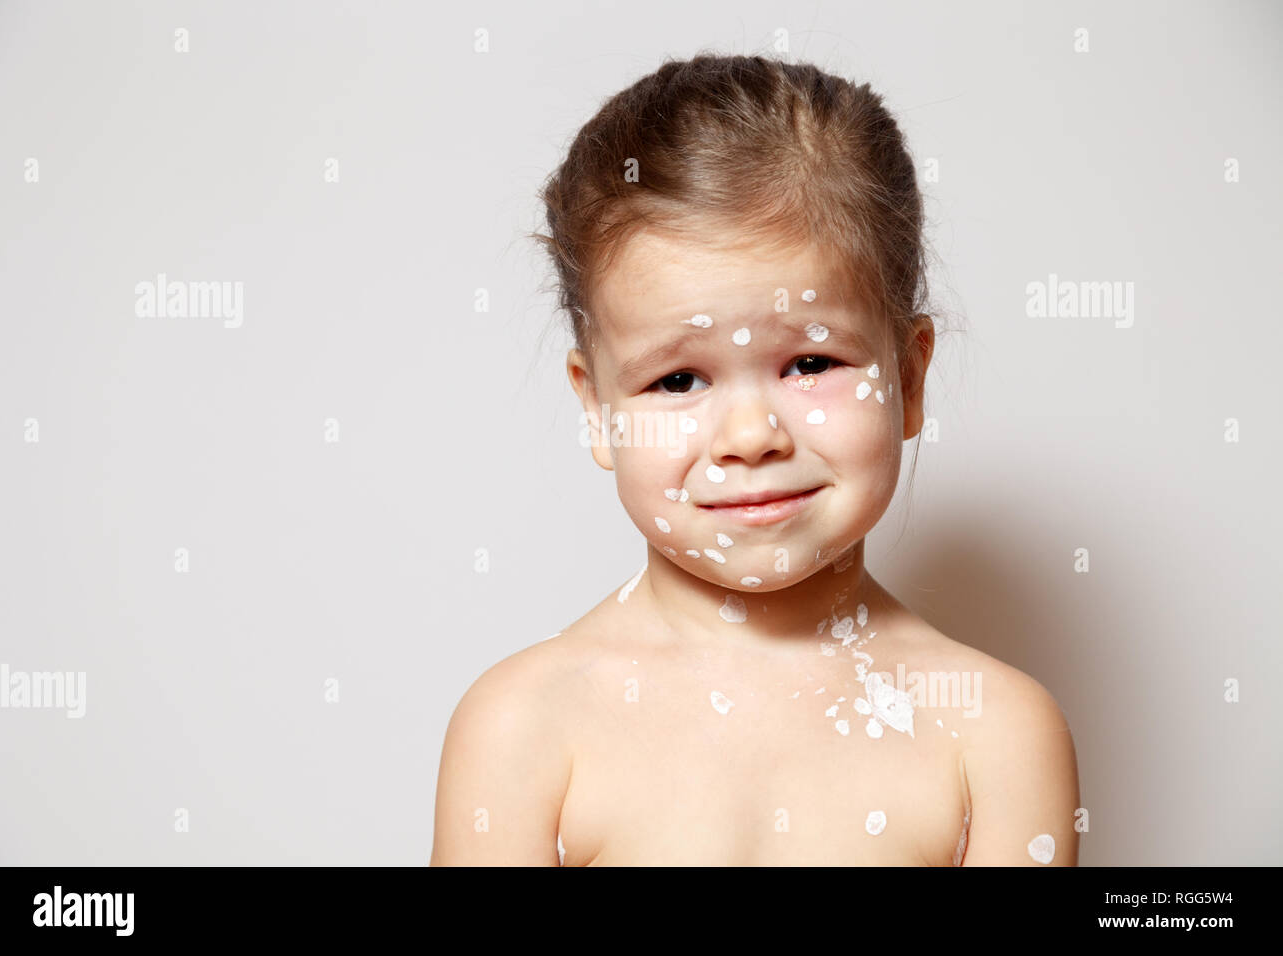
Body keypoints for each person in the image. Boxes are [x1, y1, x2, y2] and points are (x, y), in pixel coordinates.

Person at [430, 53, 1079, 866]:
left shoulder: (993, 734)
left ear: (909, 379)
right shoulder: (523, 727)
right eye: (678, 378)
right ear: (597, 411)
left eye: (811, 364)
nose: (749, 436)